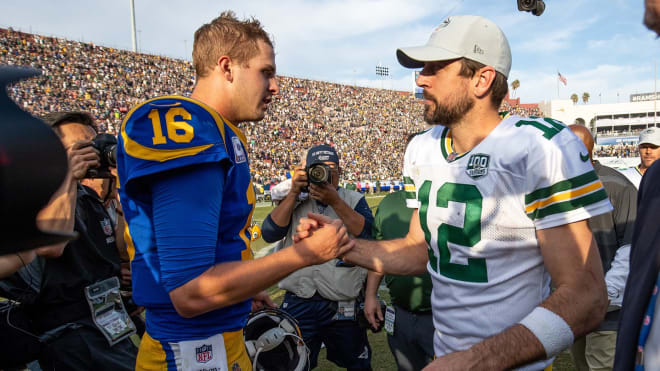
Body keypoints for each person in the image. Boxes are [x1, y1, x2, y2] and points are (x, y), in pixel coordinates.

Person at [296, 15, 612, 370]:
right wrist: (342, 248)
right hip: (447, 355)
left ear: (482, 79)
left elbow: (586, 296)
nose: (420, 78)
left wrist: (475, 361)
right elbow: (418, 251)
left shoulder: (541, 145)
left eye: (435, 67)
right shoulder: (423, 148)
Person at [115, 11, 353, 370]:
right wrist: (303, 256)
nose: (274, 87)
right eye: (266, 72)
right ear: (227, 68)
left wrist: (243, 291)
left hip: (215, 338)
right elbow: (190, 292)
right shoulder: (187, 127)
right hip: (188, 351)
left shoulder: (221, 130)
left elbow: (212, 252)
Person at [1, 111, 138, 371]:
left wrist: (124, 189)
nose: (92, 152)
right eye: (80, 147)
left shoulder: (86, 196)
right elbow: (51, 246)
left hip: (106, 323)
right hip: (66, 333)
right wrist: (68, 177)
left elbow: (120, 253)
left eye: (94, 144)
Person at [260, 144, 374, 370]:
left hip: (342, 300)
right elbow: (269, 232)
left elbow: (366, 232)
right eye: (317, 169)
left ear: (340, 172)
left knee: (357, 364)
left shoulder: (352, 199)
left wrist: (335, 201)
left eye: (331, 169)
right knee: (294, 363)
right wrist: (293, 193)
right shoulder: (295, 199)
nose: (325, 175)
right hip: (300, 298)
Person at [569, 125, 637, 371]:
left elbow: (631, 247)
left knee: (602, 366)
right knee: (580, 364)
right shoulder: (557, 186)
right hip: (571, 304)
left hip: (606, 306)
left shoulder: (618, 185)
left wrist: (607, 294)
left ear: (589, 148)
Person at [363, 137, 435, 371]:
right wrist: (371, 295)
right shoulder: (389, 203)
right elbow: (381, 252)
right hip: (401, 313)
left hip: (442, 316)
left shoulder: (449, 201)